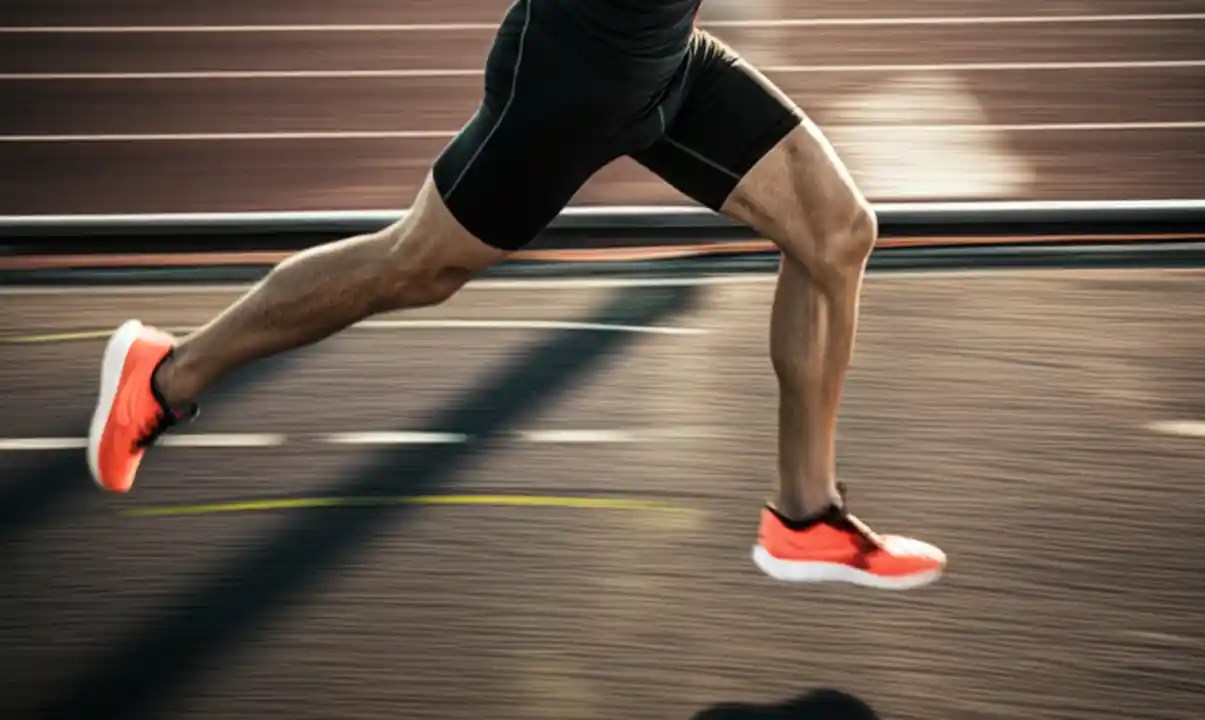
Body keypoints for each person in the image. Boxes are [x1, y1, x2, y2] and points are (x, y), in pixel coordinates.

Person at [87, 0, 945, 589]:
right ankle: (163, 376)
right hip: (568, 76)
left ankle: (805, 515)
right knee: (415, 265)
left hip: (668, 67)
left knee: (837, 231)